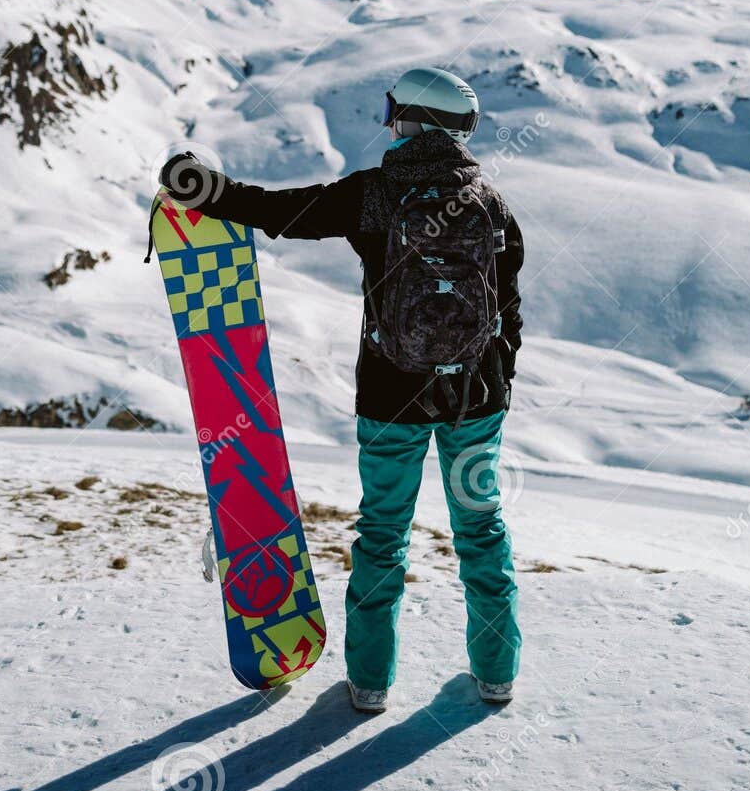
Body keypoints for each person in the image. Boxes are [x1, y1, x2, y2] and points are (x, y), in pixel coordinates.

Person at [161, 66, 523, 713]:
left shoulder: (375, 193)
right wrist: (498, 387)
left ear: (413, 119)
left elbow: (282, 212)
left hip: (390, 398)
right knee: (482, 529)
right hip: (475, 401)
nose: (388, 123)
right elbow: (509, 312)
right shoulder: (492, 205)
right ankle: (496, 672)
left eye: (393, 111)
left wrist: (205, 189)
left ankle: (371, 683)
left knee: (383, 535)